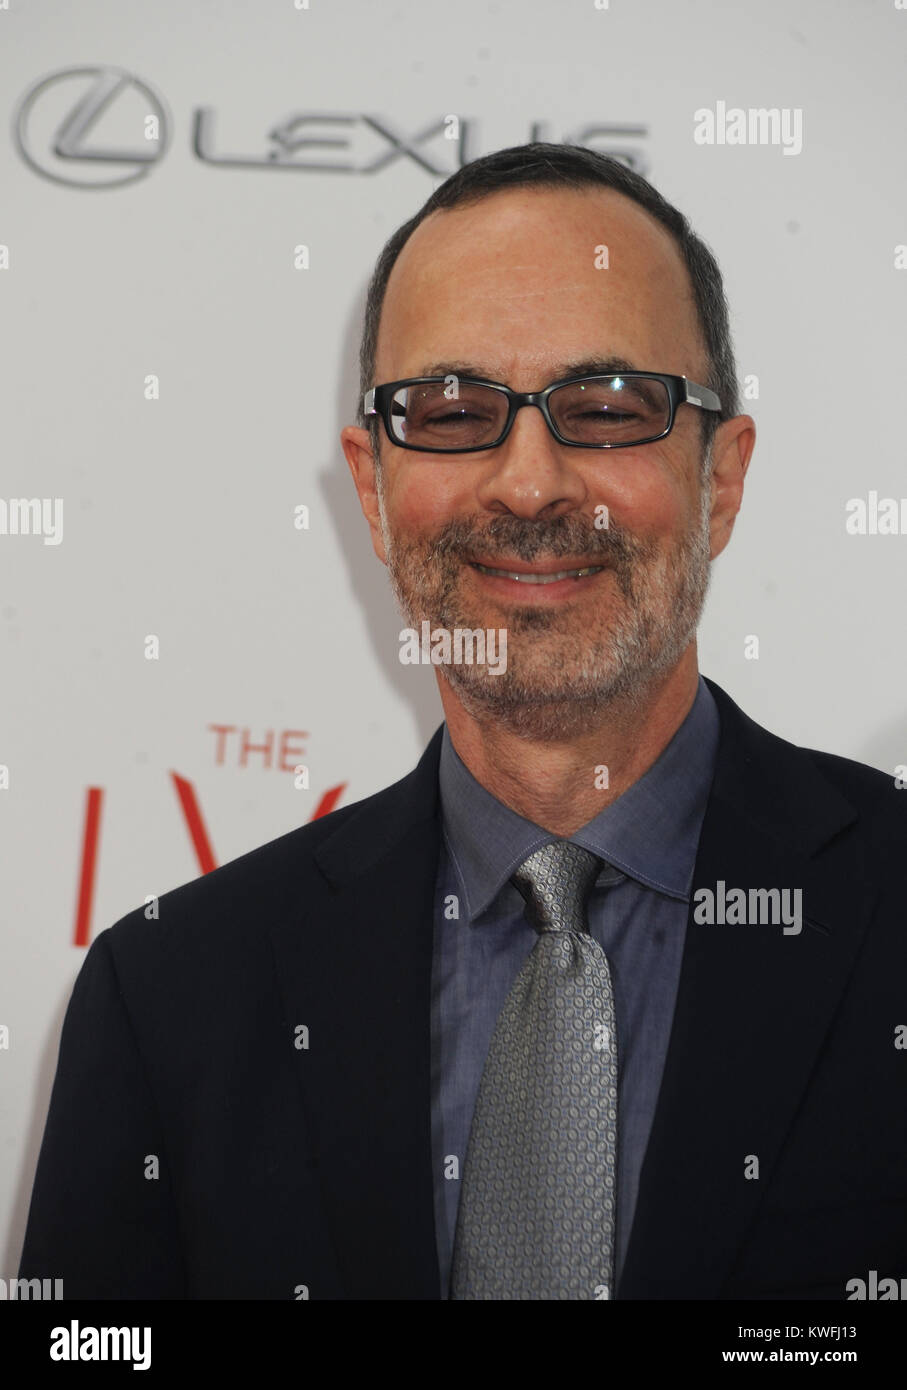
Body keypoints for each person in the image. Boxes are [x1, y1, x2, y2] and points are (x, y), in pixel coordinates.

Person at [19, 143, 907, 1300]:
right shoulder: (172, 996)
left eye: (603, 407)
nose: (529, 485)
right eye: (448, 413)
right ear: (374, 489)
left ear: (721, 478)